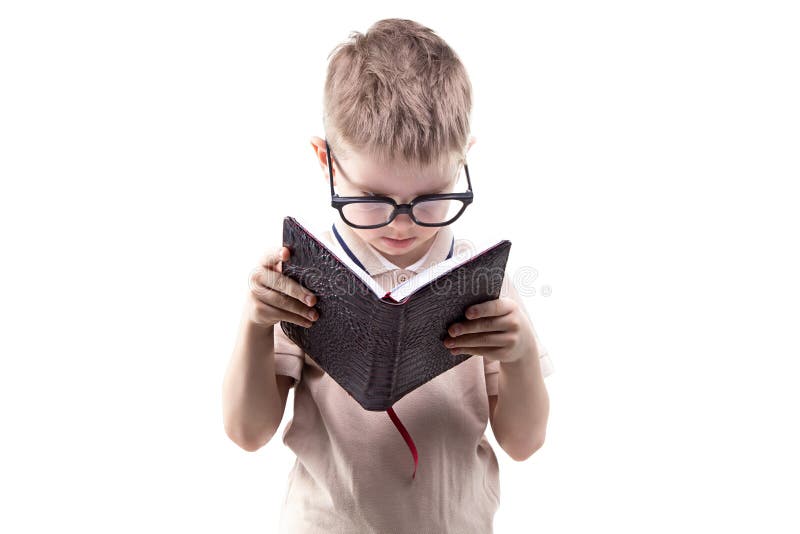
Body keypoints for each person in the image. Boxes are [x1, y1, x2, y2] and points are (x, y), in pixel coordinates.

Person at [222, 18, 555, 533]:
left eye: (430, 198)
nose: (401, 224)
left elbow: (523, 442)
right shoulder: (304, 276)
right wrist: (254, 323)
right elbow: (247, 432)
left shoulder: (480, 285)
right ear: (326, 162)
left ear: (463, 161)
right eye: (373, 200)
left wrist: (521, 353)